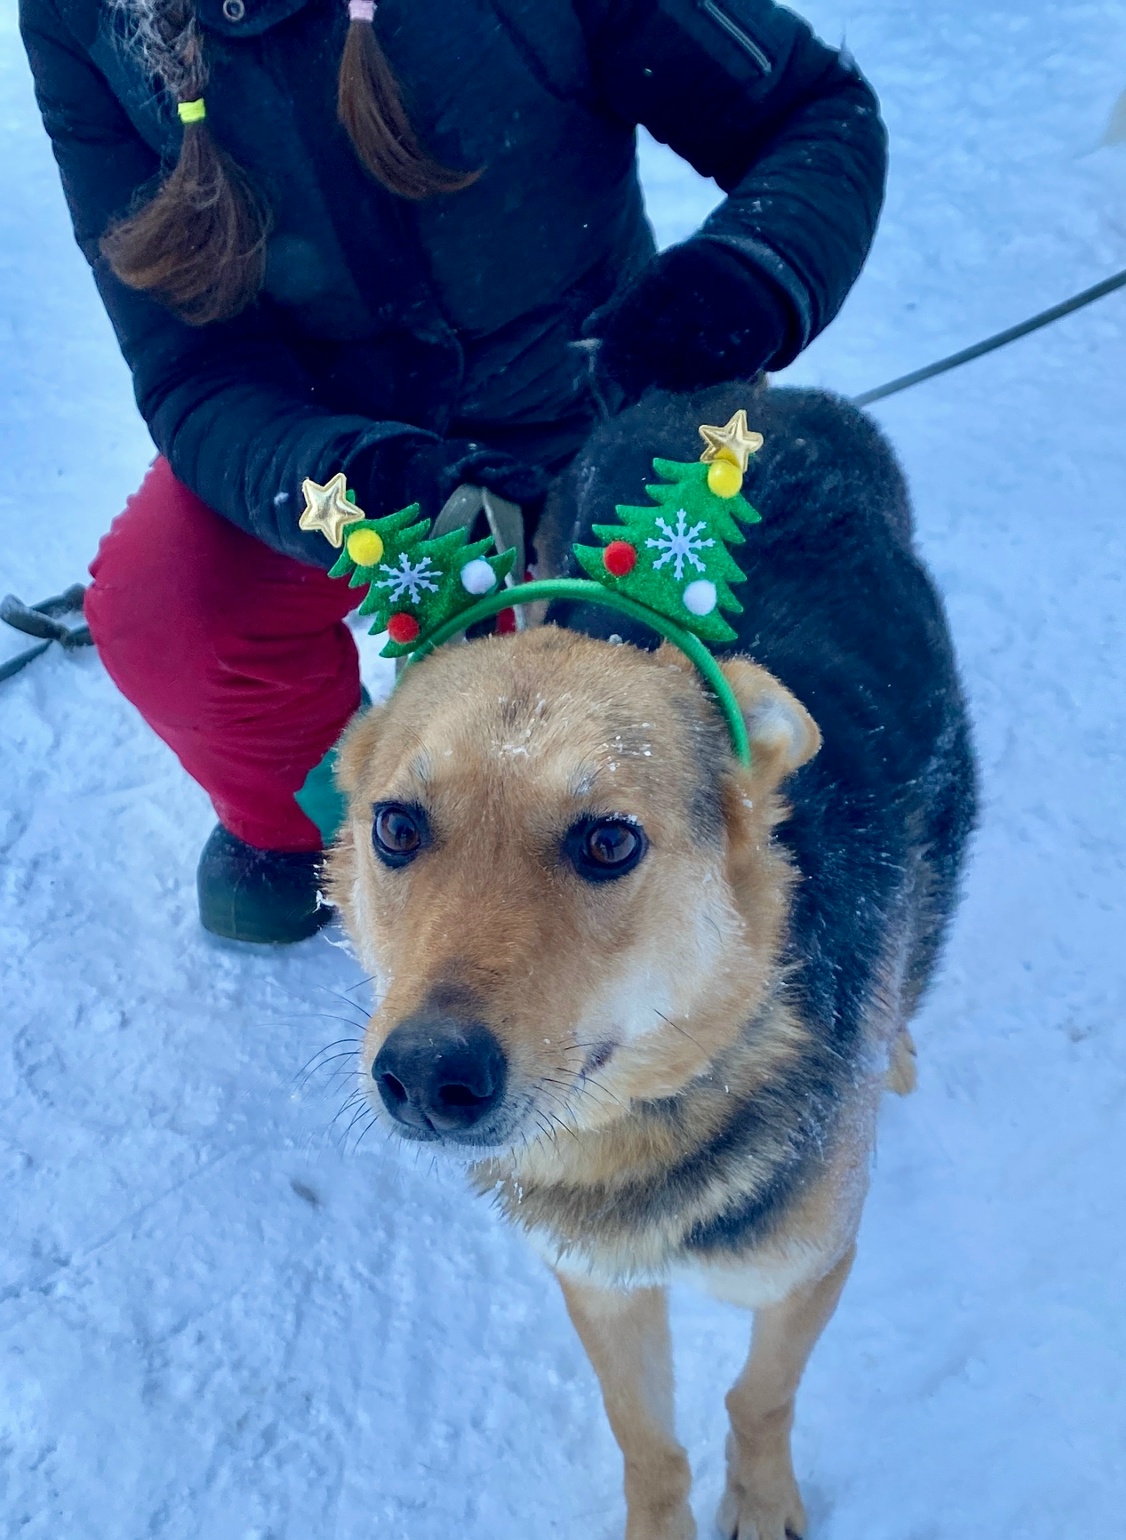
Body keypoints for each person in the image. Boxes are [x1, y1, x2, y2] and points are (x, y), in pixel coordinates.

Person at [21, 0, 886, 941]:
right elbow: (193, 371)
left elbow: (814, 112)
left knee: (716, 677)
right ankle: (327, 829)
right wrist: (358, 475)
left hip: (594, 414)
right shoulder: (80, 15)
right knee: (167, 611)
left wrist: (750, 275)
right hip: (333, 458)